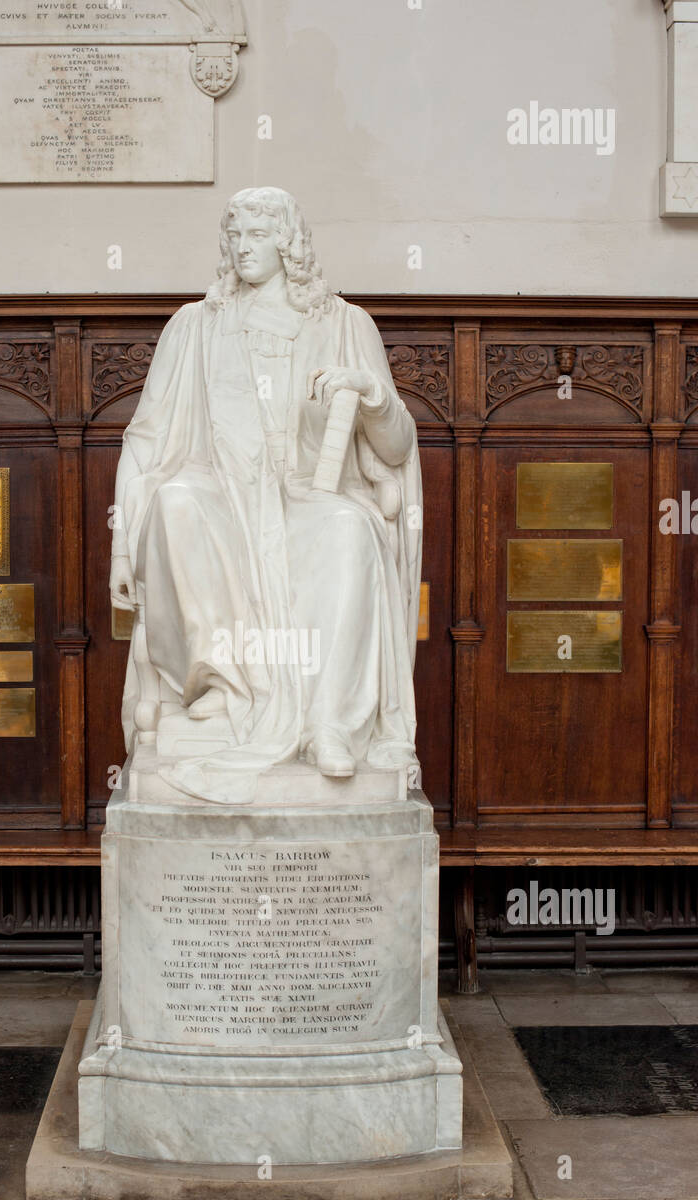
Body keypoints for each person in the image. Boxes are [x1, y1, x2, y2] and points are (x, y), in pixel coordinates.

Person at [110, 188, 423, 804]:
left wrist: (371, 393)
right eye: (234, 237)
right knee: (174, 502)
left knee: (349, 530)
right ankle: (225, 692)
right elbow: (145, 442)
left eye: (256, 235)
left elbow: (396, 448)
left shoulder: (343, 324)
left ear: (288, 244)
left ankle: (328, 720)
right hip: (221, 492)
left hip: (307, 497)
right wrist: (124, 549)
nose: (242, 247)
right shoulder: (195, 328)